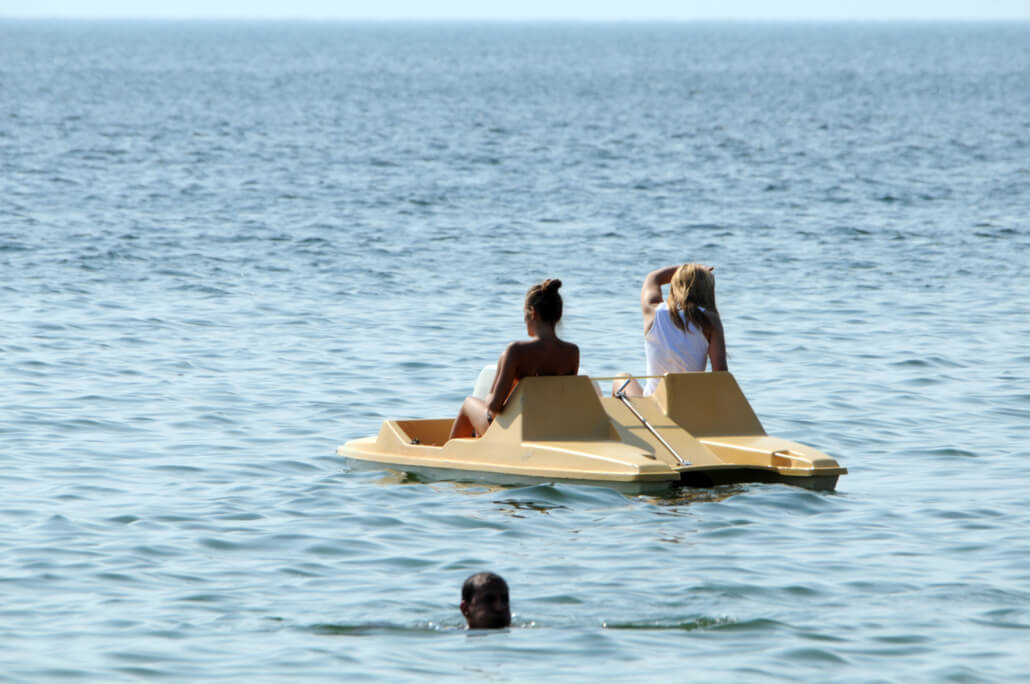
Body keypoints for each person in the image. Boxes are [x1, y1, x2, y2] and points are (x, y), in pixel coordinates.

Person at [448, 279, 579, 440]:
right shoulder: (572, 352)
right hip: (550, 427)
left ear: (533, 313)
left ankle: (449, 456)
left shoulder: (516, 351)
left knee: (469, 403)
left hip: (516, 431)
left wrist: (492, 393)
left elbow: (494, 407)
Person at [613, 263, 727, 397]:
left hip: (654, 404)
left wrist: (687, 269)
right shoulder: (710, 320)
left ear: (675, 286)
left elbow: (653, 278)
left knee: (621, 377)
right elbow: (720, 375)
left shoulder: (653, 312)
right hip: (690, 404)